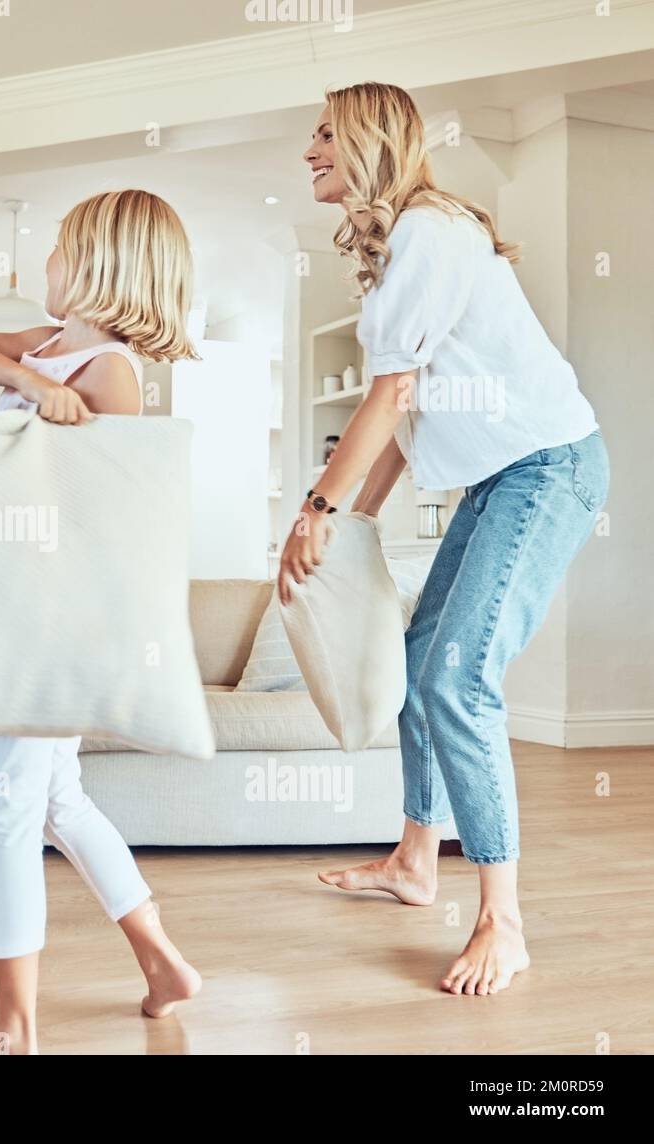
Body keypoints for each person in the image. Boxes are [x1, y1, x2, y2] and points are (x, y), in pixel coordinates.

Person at [283, 82, 608, 995]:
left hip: (547, 469)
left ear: (370, 142)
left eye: (324, 136)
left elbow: (386, 399)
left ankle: (503, 923)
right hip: (504, 475)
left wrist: (318, 513)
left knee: (458, 678)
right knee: (422, 652)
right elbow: (404, 404)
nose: (308, 152)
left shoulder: (428, 232)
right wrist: (346, 526)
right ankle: (416, 859)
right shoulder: (407, 245)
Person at [0, 190, 203, 1053]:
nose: (42, 261)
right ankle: (163, 966)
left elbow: (112, 520)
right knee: (58, 800)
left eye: (58, 246)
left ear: (97, 265)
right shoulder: (46, 349)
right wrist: (28, 379)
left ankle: (14, 1028)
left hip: (52, 624)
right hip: (21, 610)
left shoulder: (111, 370)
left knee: (8, 807)